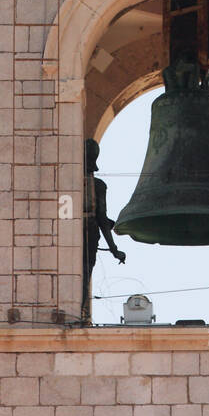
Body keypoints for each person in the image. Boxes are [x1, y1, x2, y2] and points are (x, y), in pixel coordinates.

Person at [82, 137, 126, 321]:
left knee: (80, 276)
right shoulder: (99, 186)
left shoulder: (66, 182)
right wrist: (114, 249)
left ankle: (80, 312)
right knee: (84, 276)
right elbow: (101, 217)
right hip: (90, 233)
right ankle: (81, 310)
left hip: (71, 236)